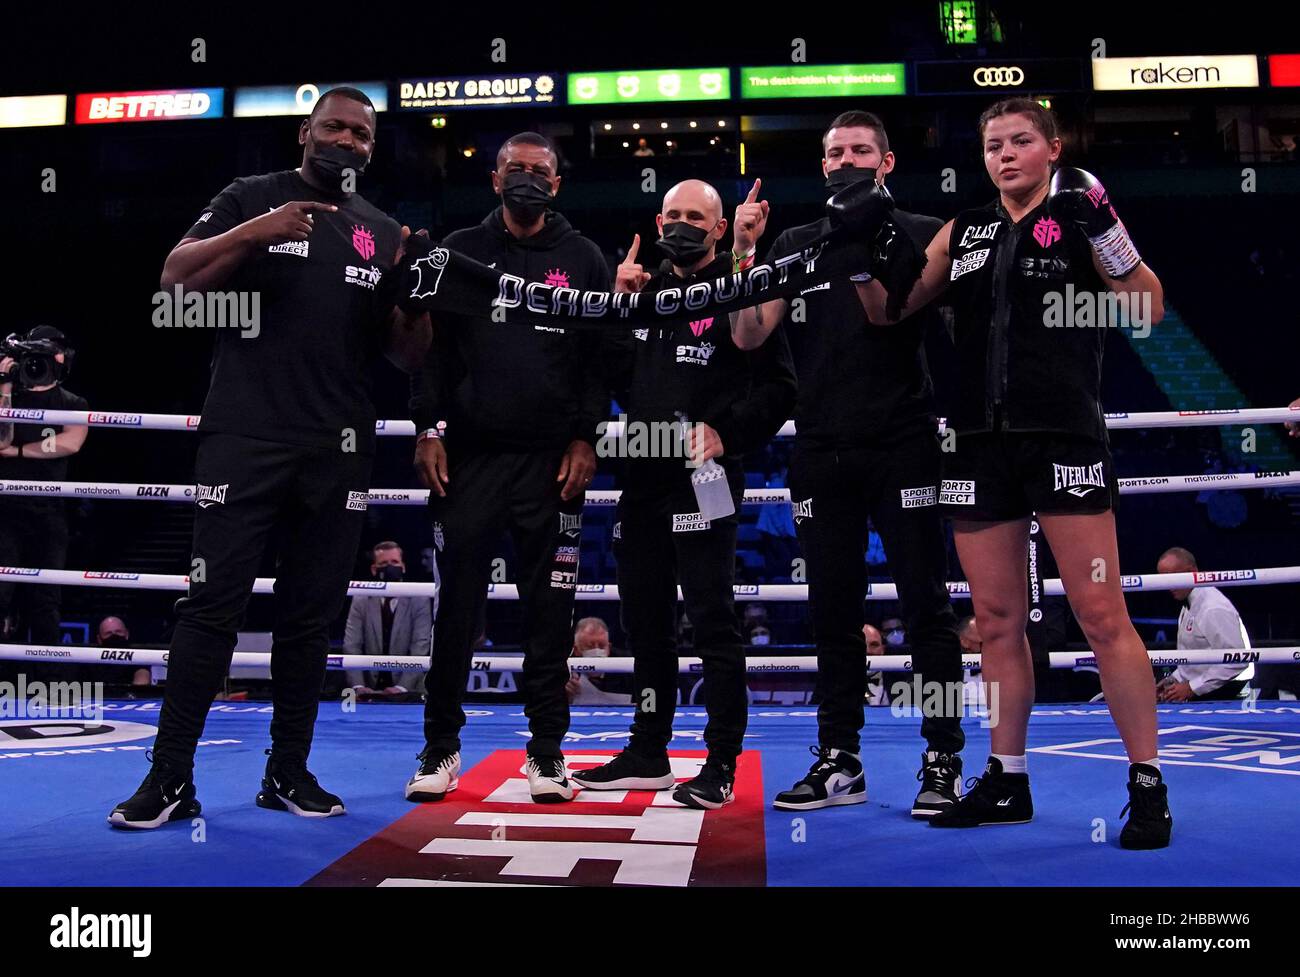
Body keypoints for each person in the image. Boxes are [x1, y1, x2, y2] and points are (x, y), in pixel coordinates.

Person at [110, 87, 430, 829]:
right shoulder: (251, 196)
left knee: (309, 616)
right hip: (244, 437)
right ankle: (169, 778)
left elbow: (407, 355)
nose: (346, 141)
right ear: (304, 133)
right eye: (334, 128)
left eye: (360, 134)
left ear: (372, 148)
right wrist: (257, 231)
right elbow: (174, 281)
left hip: (337, 447)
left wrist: (414, 296)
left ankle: (288, 771)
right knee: (209, 608)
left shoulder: (380, 231)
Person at [856, 97, 1172, 848]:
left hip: (1062, 437)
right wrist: (858, 246)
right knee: (997, 621)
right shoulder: (962, 231)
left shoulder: (1080, 219)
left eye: (1021, 141)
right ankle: (1006, 775)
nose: (1004, 155)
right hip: (975, 444)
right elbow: (888, 311)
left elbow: (1148, 310)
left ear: (1052, 148)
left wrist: (1114, 235)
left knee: (1102, 616)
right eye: (993, 143)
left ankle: (1149, 782)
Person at [730, 110, 966, 818]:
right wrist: (744, 251)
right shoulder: (798, 243)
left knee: (926, 606)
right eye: (835, 152)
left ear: (886, 162)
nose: (846, 159)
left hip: (904, 441)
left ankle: (943, 755)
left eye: (861, 149)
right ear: (822, 165)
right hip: (821, 448)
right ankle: (840, 757)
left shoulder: (927, 232)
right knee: (832, 611)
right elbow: (747, 336)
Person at [571, 179, 796, 808]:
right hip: (642, 479)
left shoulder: (740, 291)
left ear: (720, 228)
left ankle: (721, 760)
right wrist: (618, 308)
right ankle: (648, 751)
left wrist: (730, 434)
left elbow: (781, 389)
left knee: (711, 619)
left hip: (708, 482)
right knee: (643, 623)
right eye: (672, 214)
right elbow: (617, 378)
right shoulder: (646, 291)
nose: (681, 225)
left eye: (695, 216)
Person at [407, 132, 609, 805]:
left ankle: (547, 752)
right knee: (456, 608)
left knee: (550, 611)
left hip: (552, 464)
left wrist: (587, 438)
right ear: (495, 179)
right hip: (470, 456)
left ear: (556, 184)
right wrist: (426, 426)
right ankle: (439, 746)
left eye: (539, 171)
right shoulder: (460, 249)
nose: (526, 179)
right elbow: (434, 352)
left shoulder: (583, 257)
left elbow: (595, 358)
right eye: (514, 169)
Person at [0, 327, 87, 680]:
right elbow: (0, 438)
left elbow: (71, 443)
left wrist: (20, 451)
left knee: (46, 596)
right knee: (1, 592)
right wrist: (4, 386)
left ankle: (49, 680)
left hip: (49, 510)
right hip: (4, 508)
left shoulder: (73, 403)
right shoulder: (7, 396)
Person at [1154, 547, 1253, 702]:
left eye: (1172, 577)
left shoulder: (1213, 607)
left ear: (1192, 571)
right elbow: (1193, 655)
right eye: (1163, 579)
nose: (1169, 585)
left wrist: (1193, 687)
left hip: (1222, 696)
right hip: (1200, 694)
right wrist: (1173, 680)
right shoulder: (1189, 601)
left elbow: (1237, 660)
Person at [344, 542, 432, 697]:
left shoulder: (419, 598)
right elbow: (352, 644)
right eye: (383, 563)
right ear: (374, 569)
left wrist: (402, 688)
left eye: (394, 562)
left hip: (410, 691)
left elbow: (420, 645)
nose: (390, 567)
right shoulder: (361, 598)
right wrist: (358, 686)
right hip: (369, 687)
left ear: (403, 567)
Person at [565, 617, 632, 705]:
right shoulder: (564, 670)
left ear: (608, 648)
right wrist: (564, 696)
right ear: (576, 650)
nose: (596, 651)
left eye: (601, 646)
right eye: (590, 646)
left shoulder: (627, 667)